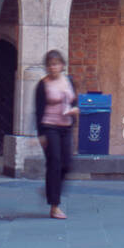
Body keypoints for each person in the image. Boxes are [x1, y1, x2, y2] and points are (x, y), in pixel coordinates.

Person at [35, 49, 78, 220]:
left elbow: (75, 101)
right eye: (50, 65)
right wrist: (41, 134)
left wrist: (75, 111)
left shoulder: (69, 81)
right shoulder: (43, 84)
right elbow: (38, 110)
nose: (53, 68)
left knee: (66, 164)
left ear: (62, 65)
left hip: (66, 127)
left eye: (56, 64)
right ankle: (55, 205)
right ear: (46, 67)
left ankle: (50, 189)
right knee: (55, 162)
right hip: (49, 126)